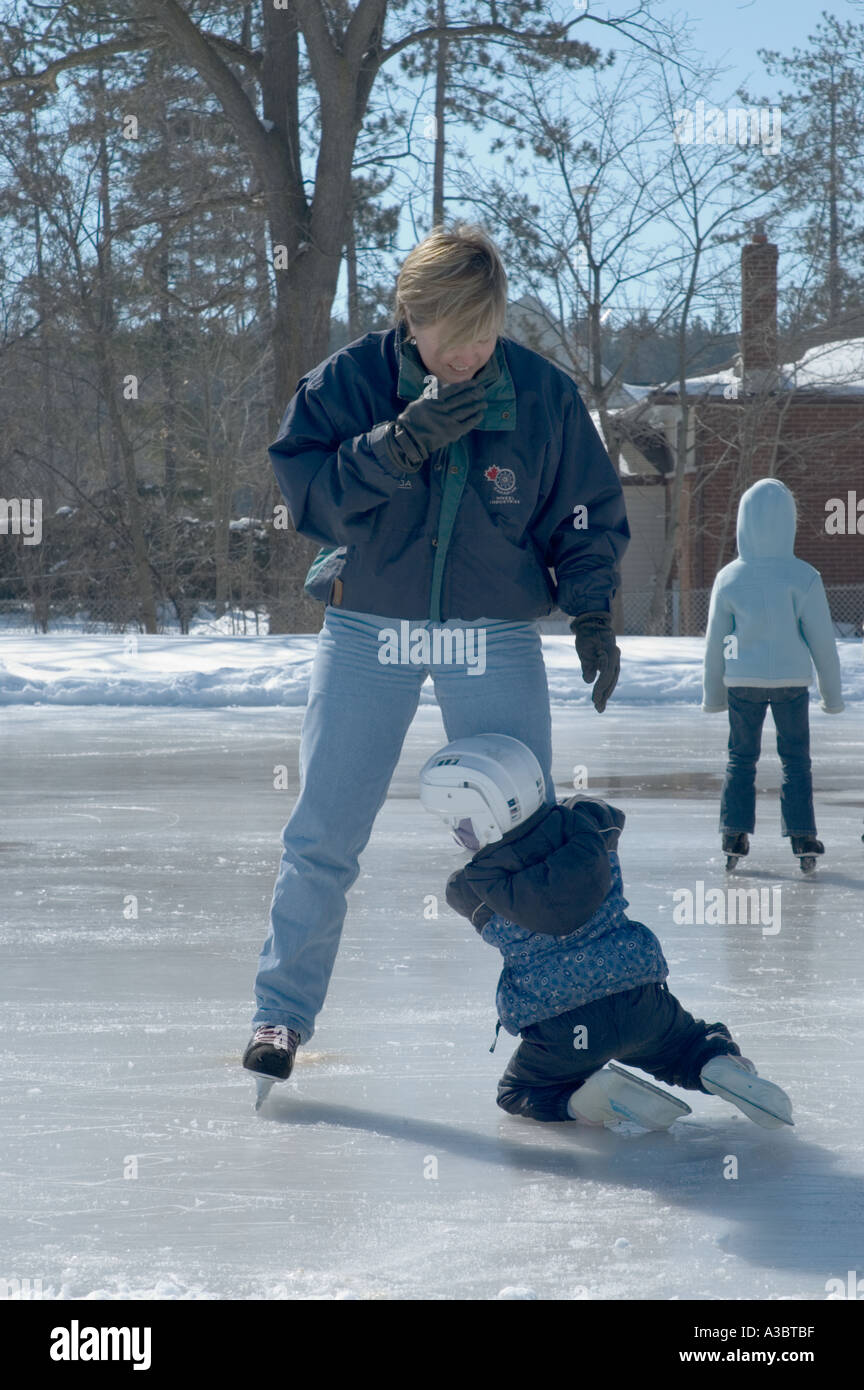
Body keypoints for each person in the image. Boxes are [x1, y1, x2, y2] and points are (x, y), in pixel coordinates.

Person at [244, 223, 630, 1090]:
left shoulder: (541, 396)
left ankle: (564, 1025)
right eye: (453, 343)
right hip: (368, 629)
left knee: (530, 841)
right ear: (410, 320)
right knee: (324, 836)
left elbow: (584, 513)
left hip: (490, 633)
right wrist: (398, 445)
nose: (471, 358)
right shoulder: (347, 383)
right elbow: (306, 492)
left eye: (486, 338)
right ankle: (281, 1014)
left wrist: (593, 610)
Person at [419, 733, 794, 1130]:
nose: (460, 837)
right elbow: (603, 812)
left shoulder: (470, 889)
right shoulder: (591, 828)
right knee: (688, 1046)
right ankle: (719, 1066)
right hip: (638, 1001)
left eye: (462, 828)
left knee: (520, 1092)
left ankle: (589, 1100)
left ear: (485, 824)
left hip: (560, 1027)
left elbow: (476, 888)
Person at [702, 478, 844, 872]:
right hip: (790, 683)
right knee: (796, 760)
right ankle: (802, 835)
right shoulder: (804, 577)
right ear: (789, 523)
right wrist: (832, 697)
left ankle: (734, 832)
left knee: (740, 758)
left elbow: (717, 642)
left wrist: (713, 694)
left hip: (742, 683)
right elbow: (822, 643)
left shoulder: (729, 578)